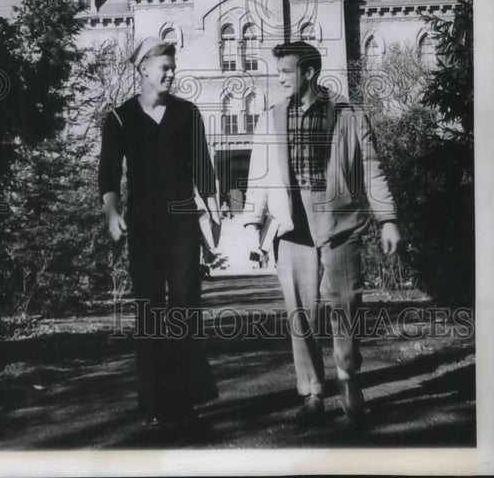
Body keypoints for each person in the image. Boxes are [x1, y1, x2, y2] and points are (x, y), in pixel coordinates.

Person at [246, 41, 400, 426]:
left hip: (339, 221)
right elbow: (259, 176)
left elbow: (373, 170)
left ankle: (348, 375)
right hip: (292, 224)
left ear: (309, 72)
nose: (279, 78)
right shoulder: (271, 118)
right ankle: (312, 390)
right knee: (300, 312)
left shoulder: (348, 115)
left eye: (286, 71)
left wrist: (388, 219)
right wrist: (253, 226)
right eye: (278, 71)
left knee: (346, 306)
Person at [98, 38, 221, 430]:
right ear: (144, 70)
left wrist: (214, 210)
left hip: (183, 219)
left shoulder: (188, 114)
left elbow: (202, 164)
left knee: (184, 305)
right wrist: (112, 211)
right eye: (164, 67)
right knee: (149, 307)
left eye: (172, 66)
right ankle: (151, 401)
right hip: (145, 226)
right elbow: (109, 172)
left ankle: (184, 399)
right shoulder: (119, 119)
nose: (171, 73)